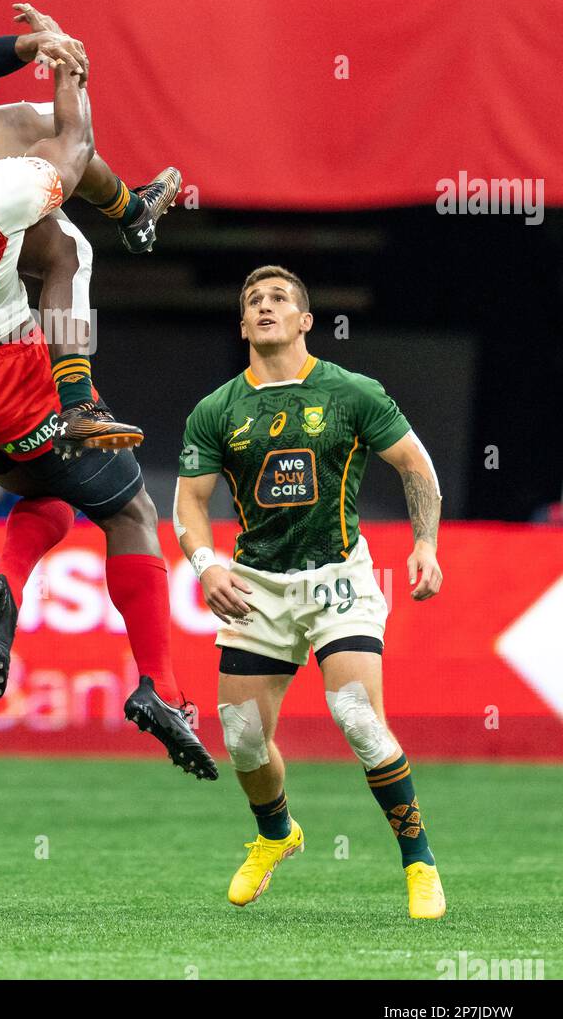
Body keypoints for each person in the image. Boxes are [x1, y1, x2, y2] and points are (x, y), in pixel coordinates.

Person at [0, 63, 218, 781]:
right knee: (131, 512)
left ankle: (8, 578)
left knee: (53, 492)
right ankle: (162, 686)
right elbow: (73, 146)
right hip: (8, 377)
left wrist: (20, 47)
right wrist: (67, 70)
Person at [173, 265, 446, 918]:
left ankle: (419, 862)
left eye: (279, 298)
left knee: (357, 718)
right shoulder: (216, 410)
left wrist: (426, 543)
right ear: (243, 325)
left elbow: (415, 464)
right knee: (241, 736)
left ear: (305, 321)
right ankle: (276, 834)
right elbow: (189, 502)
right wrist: (206, 564)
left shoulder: (351, 392)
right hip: (258, 586)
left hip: (338, 578)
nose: (264, 306)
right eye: (253, 301)